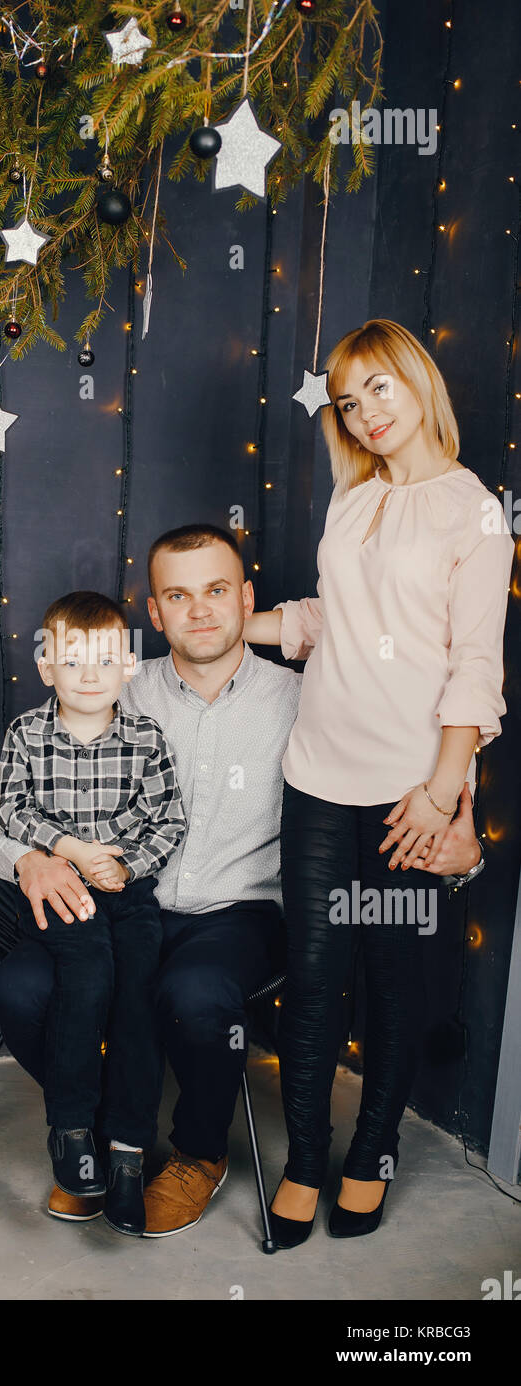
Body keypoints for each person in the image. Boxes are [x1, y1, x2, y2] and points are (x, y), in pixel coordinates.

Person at [0, 524, 484, 1238]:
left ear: (247, 599)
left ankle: (199, 1153)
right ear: (154, 613)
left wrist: (464, 836)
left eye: (217, 591)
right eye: (178, 596)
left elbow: (404, 766)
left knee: (198, 996)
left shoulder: (309, 699)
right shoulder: (120, 688)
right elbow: (1, 790)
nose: (201, 610)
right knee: (21, 990)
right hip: (120, 902)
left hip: (238, 916)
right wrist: (25, 857)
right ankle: (100, 1137)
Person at [244, 318, 514, 1245]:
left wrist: (444, 792)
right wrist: (235, 625)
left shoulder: (475, 510)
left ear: (417, 381)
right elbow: (334, 622)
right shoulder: (351, 501)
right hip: (318, 774)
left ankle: (372, 1155)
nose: (364, 415)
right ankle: (307, 1161)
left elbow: (475, 662)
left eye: (378, 390)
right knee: (314, 983)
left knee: (392, 985)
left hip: (410, 793)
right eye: (348, 402)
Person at [0, 589, 186, 1236]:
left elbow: (169, 820)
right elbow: (11, 809)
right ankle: (72, 1131)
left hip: (127, 893)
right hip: (61, 890)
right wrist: (69, 848)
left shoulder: (144, 737)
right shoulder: (26, 734)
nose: (90, 674)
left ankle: (129, 1152)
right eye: (72, 662)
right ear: (46, 668)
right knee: (88, 979)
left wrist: (126, 866)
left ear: (129, 666)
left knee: (137, 995)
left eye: (105, 660)